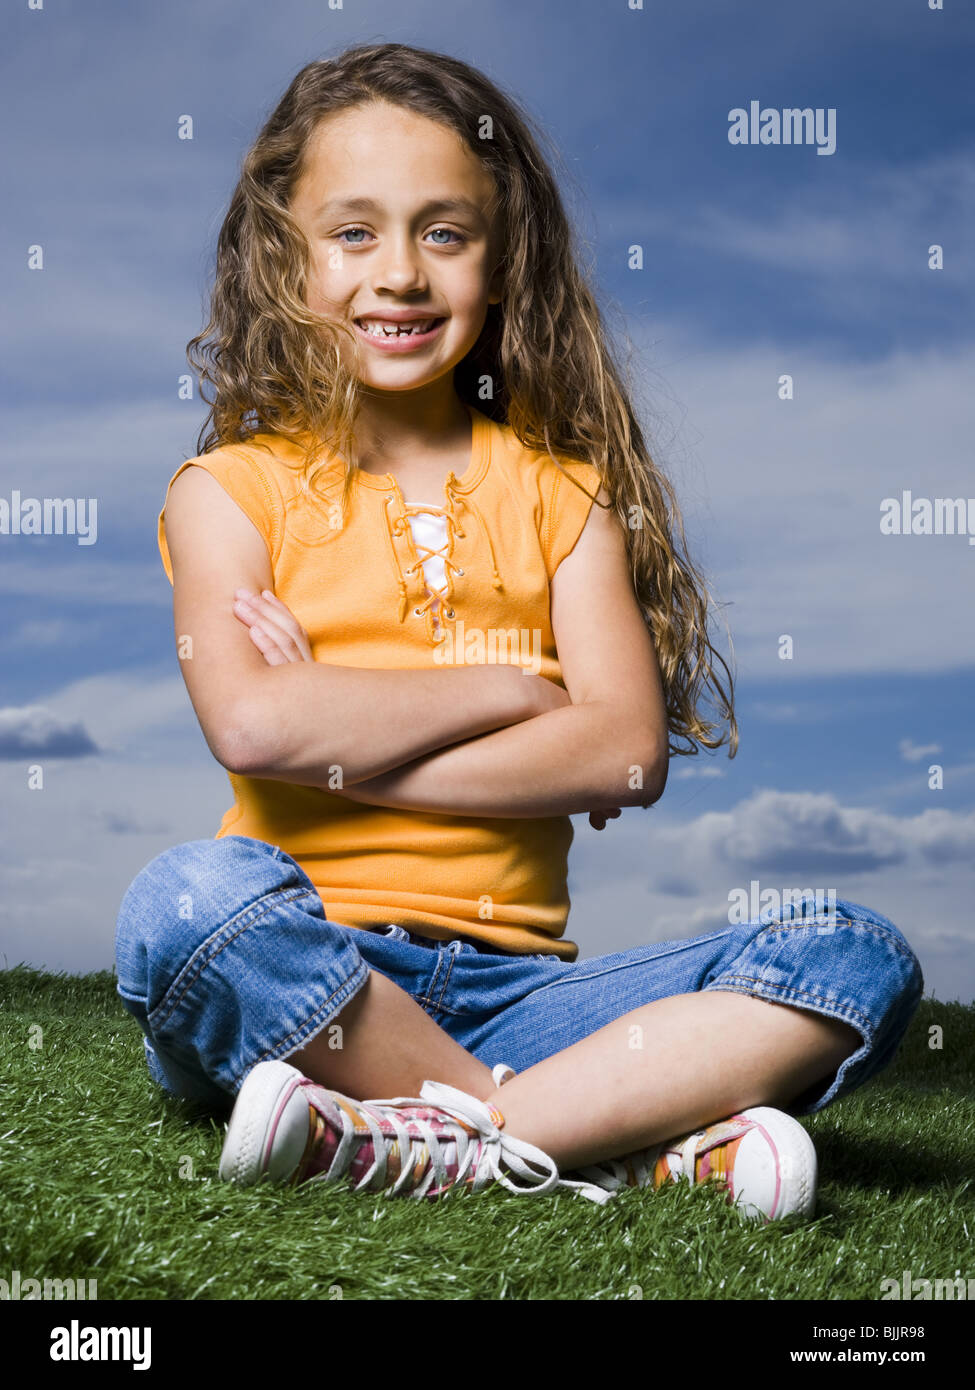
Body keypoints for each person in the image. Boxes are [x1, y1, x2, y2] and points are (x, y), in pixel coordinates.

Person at [115, 42, 923, 1222]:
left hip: (521, 994)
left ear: (502, 262)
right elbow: (252, 722)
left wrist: (343, 721)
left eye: (444, 233)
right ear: (281, 255)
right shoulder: (227, 492)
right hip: (308, 963)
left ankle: (436, 1134)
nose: (398, 272)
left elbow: (624, 755)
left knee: (850, 950)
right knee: (184, 907)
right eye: (353, 233)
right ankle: (617, 1136)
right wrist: (512, 683)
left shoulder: (566, 496)